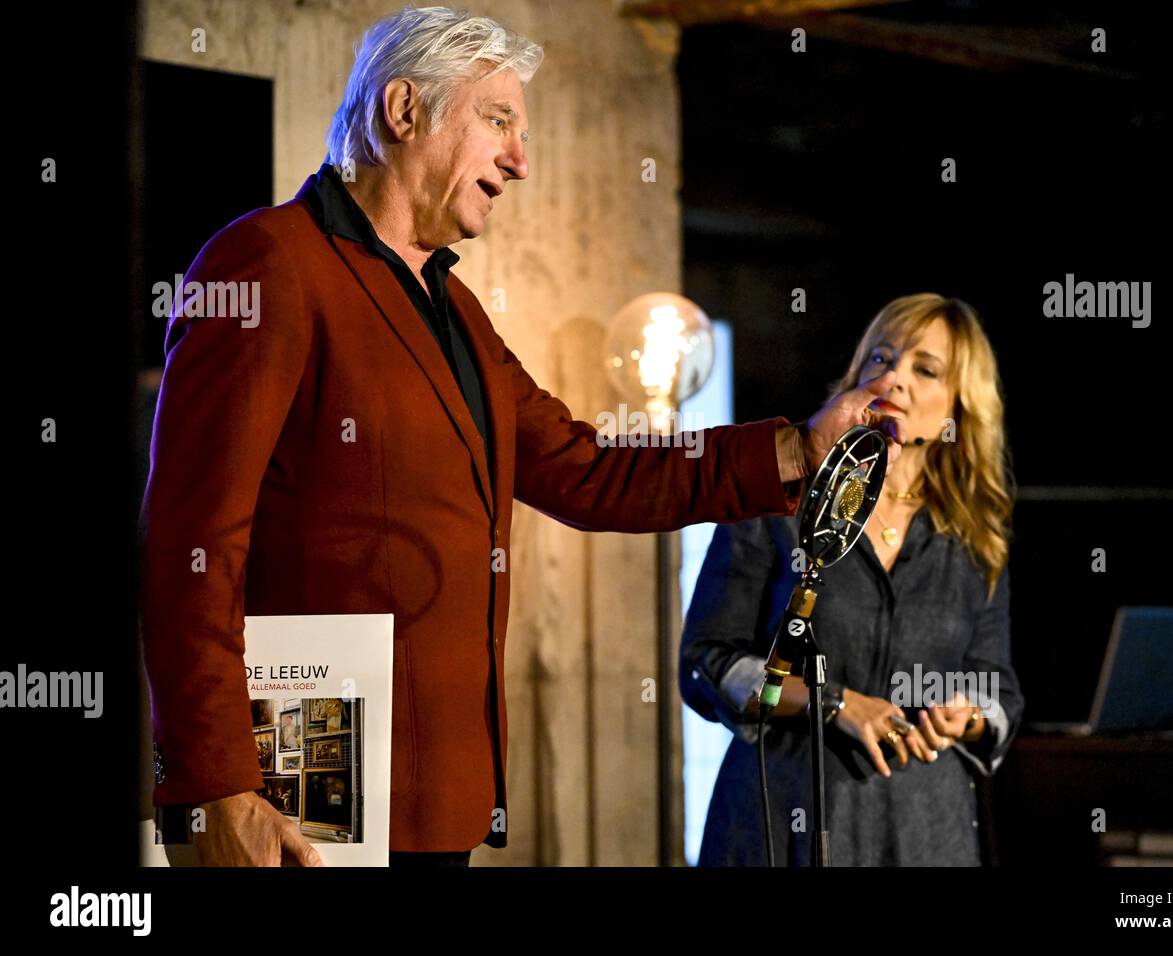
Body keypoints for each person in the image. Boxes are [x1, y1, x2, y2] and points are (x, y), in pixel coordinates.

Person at [137, 6, 907, 867]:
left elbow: (588, 472)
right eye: (498, 121)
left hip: (437, 804)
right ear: (404, 111)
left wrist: (797, 451)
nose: (521, 160)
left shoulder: (454, 309)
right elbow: (191, 545)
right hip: (301, 796)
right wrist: (216, 787)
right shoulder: (267, 263)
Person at [680, 294, 1024, 866]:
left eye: (925, 369)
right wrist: (834, 704)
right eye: (880, 359)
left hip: (924, 832)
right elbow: (706, 663)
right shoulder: (782, 498)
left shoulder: (974, 538)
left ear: (958, 407)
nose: (895, 378)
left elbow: (999, 691)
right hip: (782, 823)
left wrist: (965, 715)